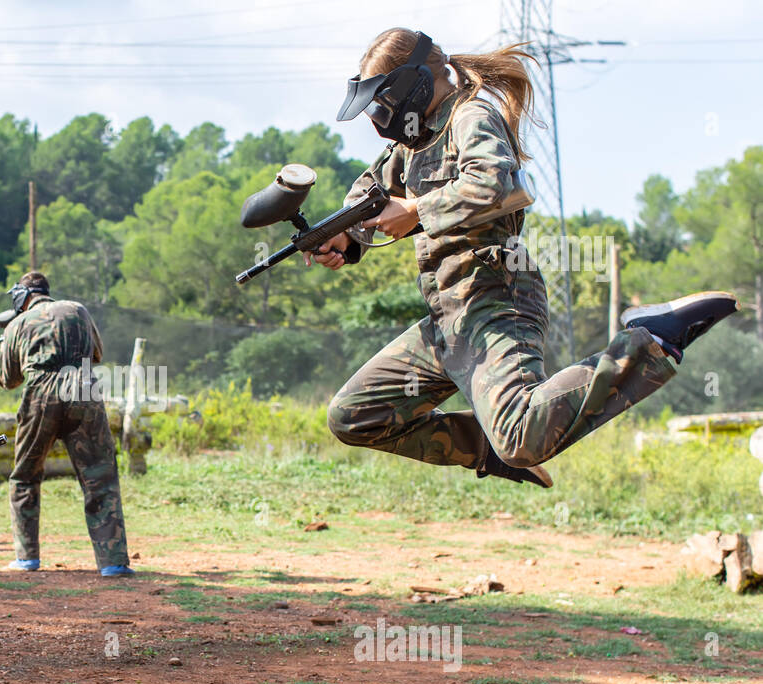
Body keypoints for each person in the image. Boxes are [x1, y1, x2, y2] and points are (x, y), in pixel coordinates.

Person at [310, 29, 738, 484]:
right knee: (355, 415)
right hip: (448, 318)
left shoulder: (471, 116)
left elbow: (493, 183)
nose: (380, 115)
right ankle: (488, 449)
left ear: (409, 84)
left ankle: (650, 339)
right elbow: (369, 196)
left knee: (522, 438)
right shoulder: (414, 141)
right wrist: (345, 236)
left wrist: (416, 210)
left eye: (383, 100)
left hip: (497, 299)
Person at [0, 271, 133, 577]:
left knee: (25, 476)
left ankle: (27, 558)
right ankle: (113, 563)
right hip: (84, 388)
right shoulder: (77, 309)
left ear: (21, 296)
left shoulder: (16, 325)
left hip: (41, 393)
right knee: (100, 477)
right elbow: (97, 354)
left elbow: (8, 380)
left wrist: (13, 343)